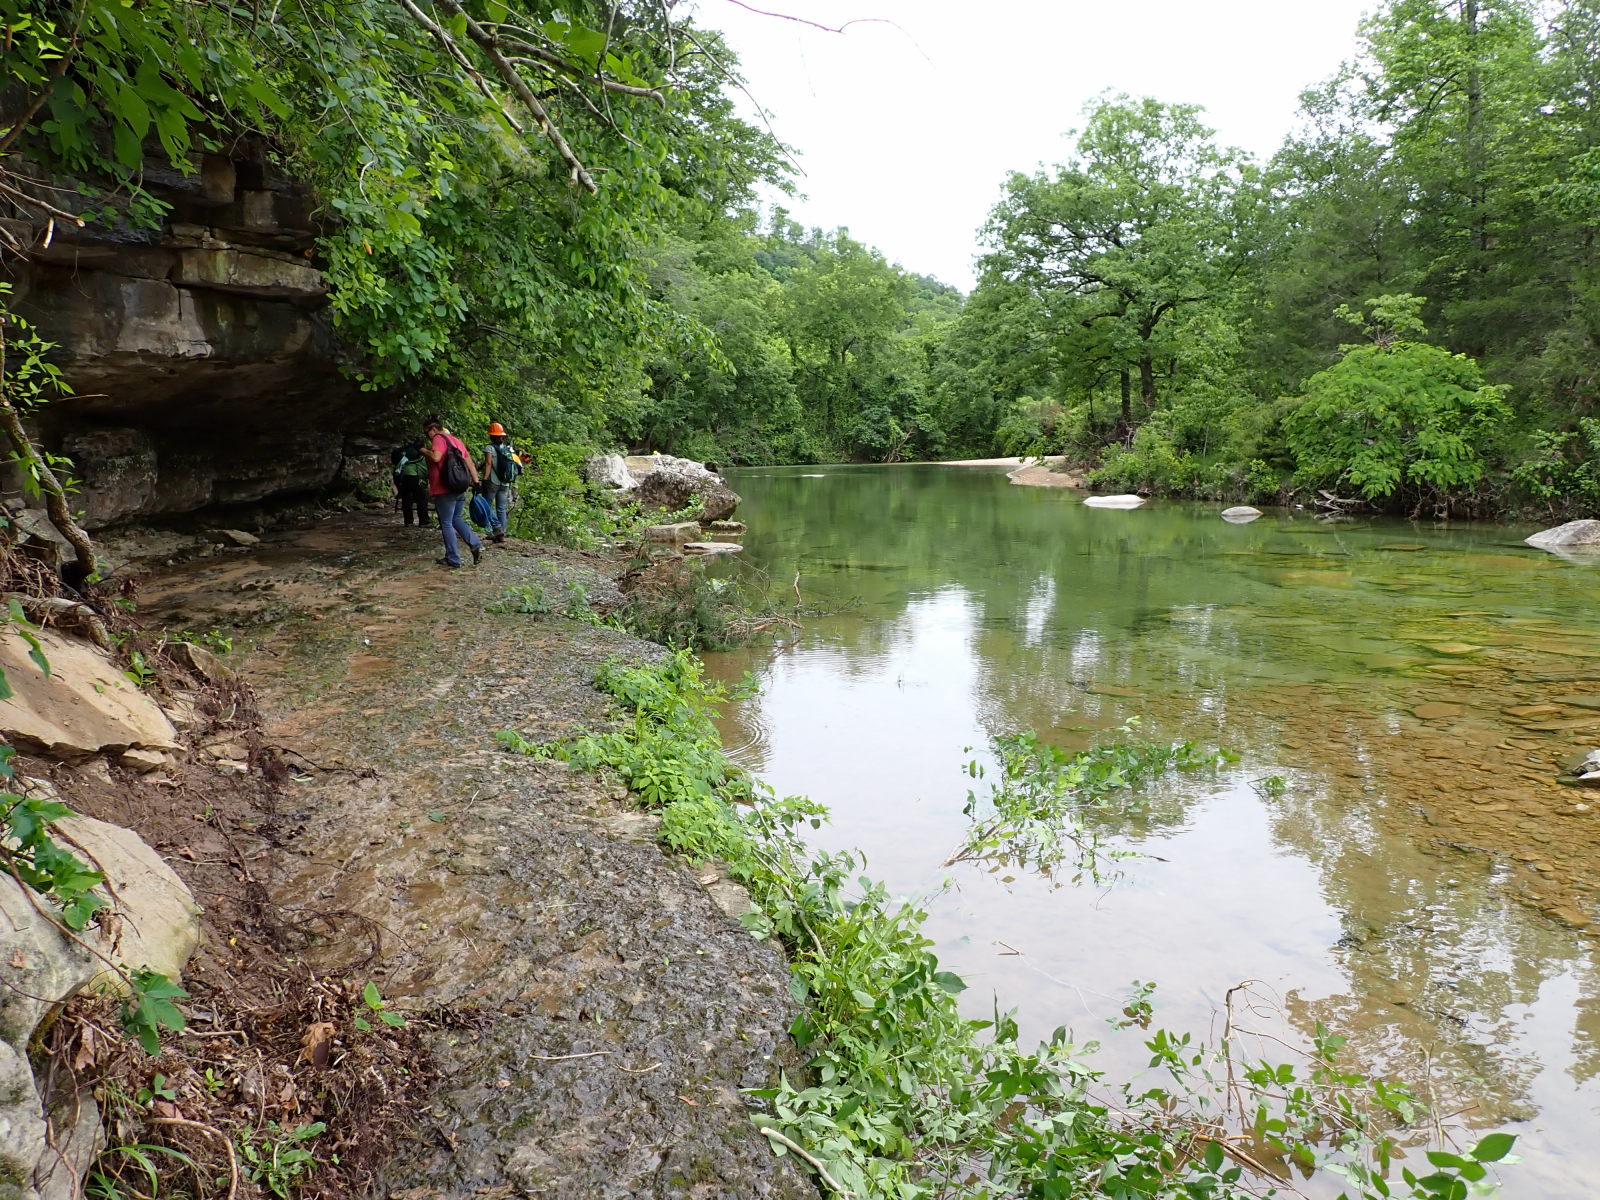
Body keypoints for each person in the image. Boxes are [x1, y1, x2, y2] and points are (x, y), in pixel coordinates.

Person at [420, 415, 483, 569]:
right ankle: (475, 544)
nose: (427, 436)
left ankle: (453, 559)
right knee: (457, 519)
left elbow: (436, 457)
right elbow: (470, 463)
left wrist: (422, 450)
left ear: (433, 429)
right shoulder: (457, 441)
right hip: (460, 486)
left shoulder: (439, 438)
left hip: (445, 488)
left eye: (426, 432)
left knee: (447, 523)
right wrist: (476, 481)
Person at [478, 421, 520, 545]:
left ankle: (495, 529)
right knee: (501, 508)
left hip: (493, 481)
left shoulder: (489, 448)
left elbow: (488, 464)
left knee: (487, 504)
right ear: (502, 436)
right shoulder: (507, 449)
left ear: (491, 435)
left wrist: (484, 479)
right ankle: (503, 533)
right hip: (505, 483)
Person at [390, 437, 431, 528]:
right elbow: (424, 471)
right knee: (421, 499)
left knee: (406, 499)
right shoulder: (421, 455)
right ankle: (423, 521)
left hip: (403, 477)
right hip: (415, 477)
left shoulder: (405, 453)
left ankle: (408, 521)